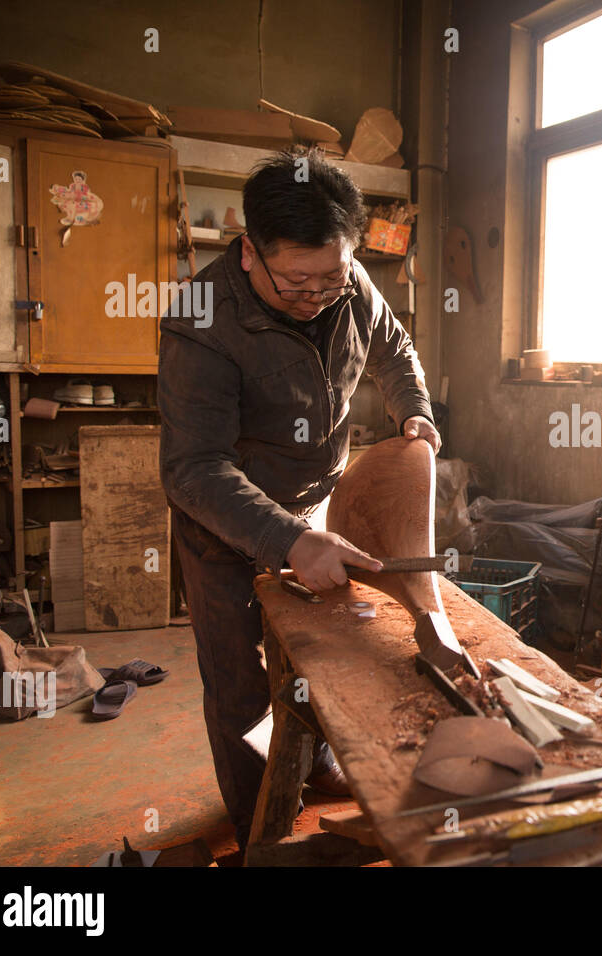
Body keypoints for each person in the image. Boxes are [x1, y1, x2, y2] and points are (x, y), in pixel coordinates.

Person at [158, 147, 439, 851]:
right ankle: (260, 820)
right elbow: (192, 468)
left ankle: (312, 762)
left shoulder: (346, 281)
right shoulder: (201, 317)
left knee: (315, 656)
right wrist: (286, 539)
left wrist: (414, 412)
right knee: (242, 683)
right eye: (296, 282)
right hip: (225, 524)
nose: (316, 295)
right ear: (250, 251)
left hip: (316, 503)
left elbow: (394, 346)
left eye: (333, 278)